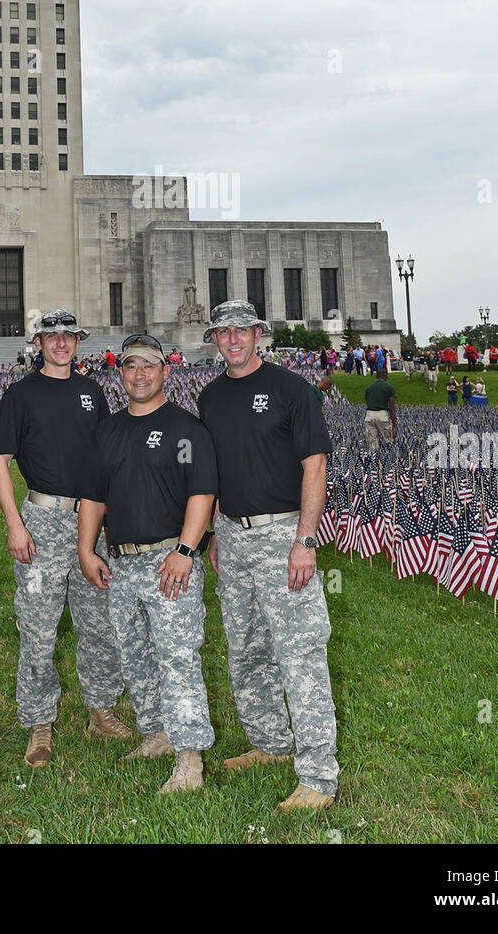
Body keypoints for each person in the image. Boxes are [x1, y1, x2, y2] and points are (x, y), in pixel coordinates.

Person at [198, 300, 338, 812]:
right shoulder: (210, 397)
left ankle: (319, 776)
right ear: (214, 338)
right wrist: (215, 531)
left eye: (242, 331)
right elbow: (212, 471)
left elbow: (315, 466)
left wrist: (305, 540)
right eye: (223, 333)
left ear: (258, 334)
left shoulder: (291, 390)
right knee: (246, 647)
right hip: (233, 536)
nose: (232, 340)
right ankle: (269, 743)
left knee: (300, 654)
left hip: (283, 535)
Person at [78, 334, 218, 794]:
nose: (139, 374)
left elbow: (202, 492)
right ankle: (156, 733)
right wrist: (87, 550)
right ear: (121, 374)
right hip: (121, 562)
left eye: (149, 366)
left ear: (166, 372)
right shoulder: (108, 431)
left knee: (177, 658)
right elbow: (93, 496)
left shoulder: (185, 430)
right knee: (135, 656)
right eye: (130, 366)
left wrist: (185, 550)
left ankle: (189, 757)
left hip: (168, 560)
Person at [0, 309, 128, 769]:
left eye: (69, 336)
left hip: (90, 518)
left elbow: (107, 456)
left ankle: (100, 708)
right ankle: (39, 722)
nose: (62, 343)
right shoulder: (20, 395)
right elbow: (1, 461)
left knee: (98, 621)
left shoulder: (92, 391)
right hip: (42, 520)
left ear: (78, 342)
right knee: (37, 626)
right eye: (52, 337)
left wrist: (110, 518)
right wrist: (14, 523)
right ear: (38, 343)